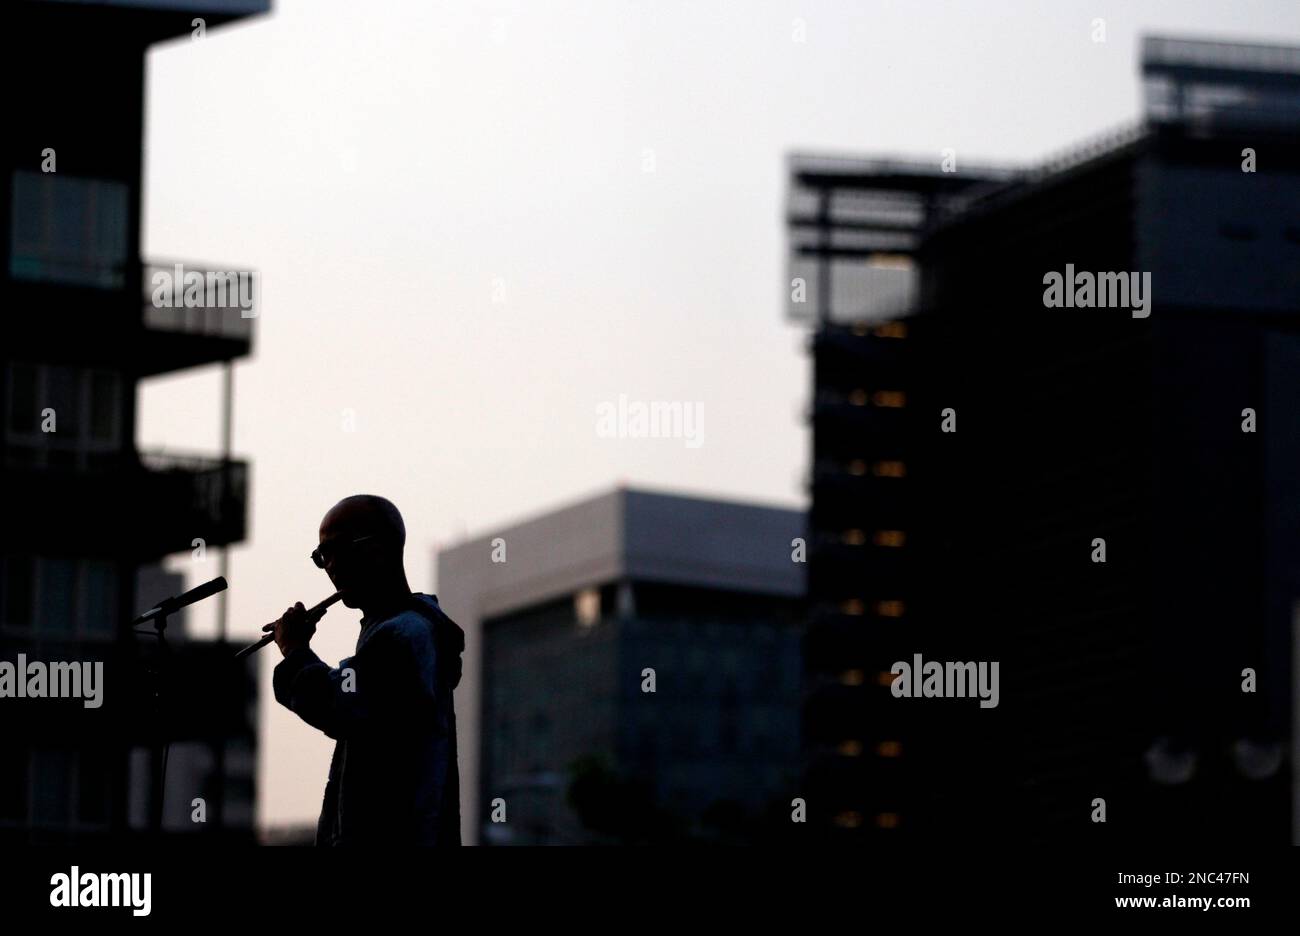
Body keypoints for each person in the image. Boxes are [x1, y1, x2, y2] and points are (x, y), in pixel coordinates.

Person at [269, 494, 464, 846]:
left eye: (337, 549)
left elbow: (338, 704)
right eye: (321, 556)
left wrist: (295, 652)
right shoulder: (395, 631)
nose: (329, 564)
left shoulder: (404, 635)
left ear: (381, 547)